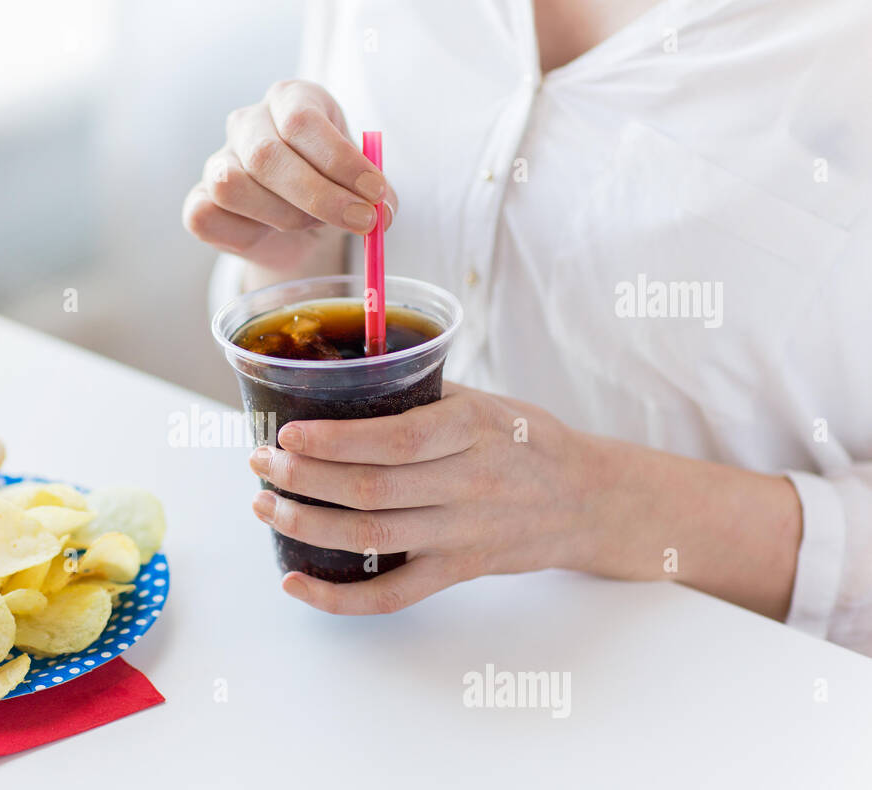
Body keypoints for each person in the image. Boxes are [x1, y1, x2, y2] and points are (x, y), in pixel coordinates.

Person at [182, 0, 872, 651]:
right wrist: (288, 246)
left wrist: (591, 501)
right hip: (387, 658)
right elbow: (330, 270)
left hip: (735, 698)